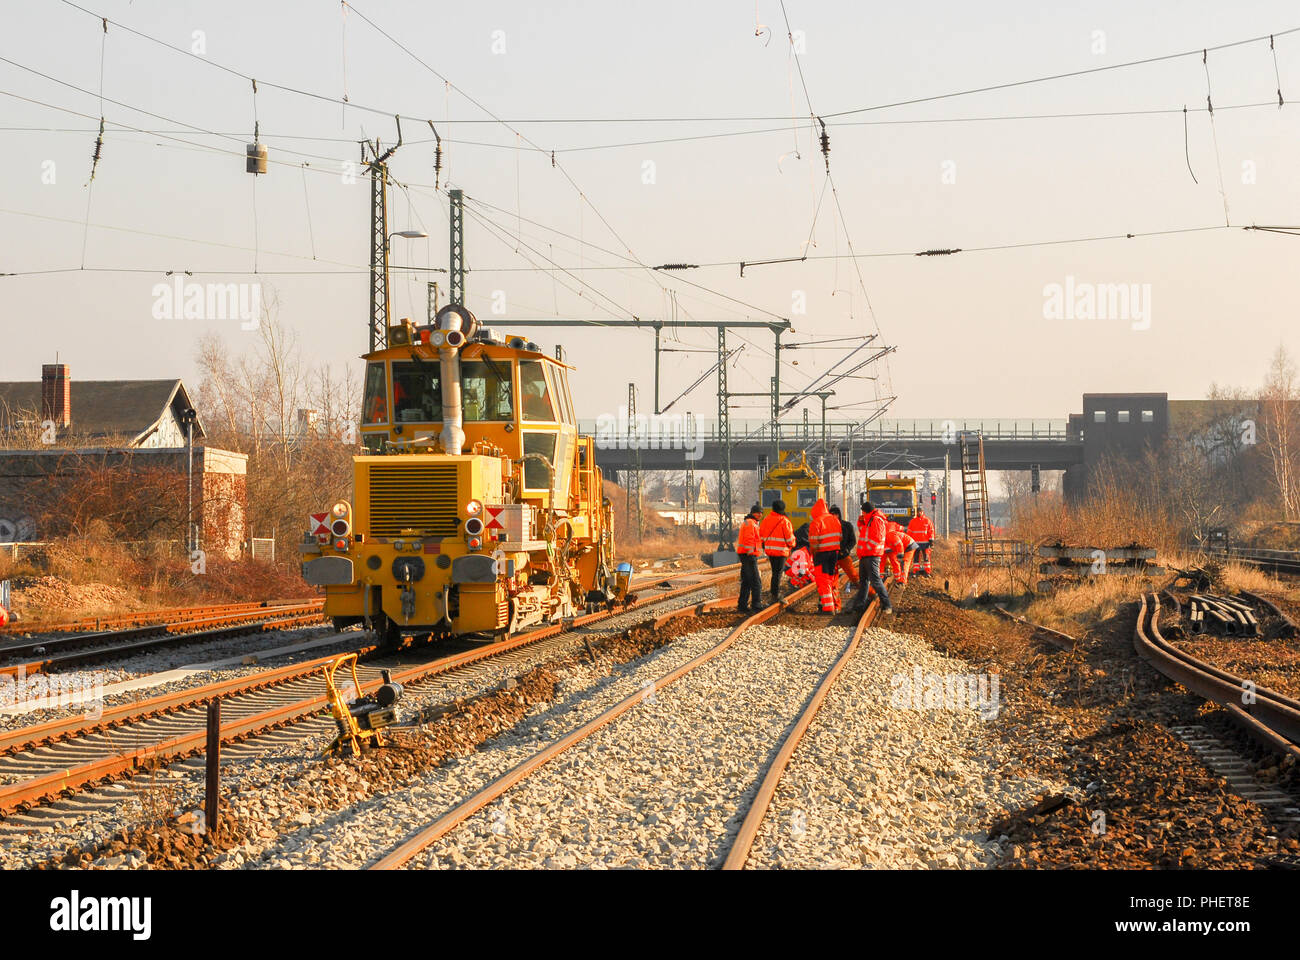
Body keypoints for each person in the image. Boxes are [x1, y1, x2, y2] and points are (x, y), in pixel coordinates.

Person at [853, 499, 893, 615]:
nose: (862, 514)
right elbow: (863, 532)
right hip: (866, 555)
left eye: (863, 512)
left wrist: (867, 549)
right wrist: (860, 522)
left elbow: (878, 538)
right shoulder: (869, 519)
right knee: (864, 581)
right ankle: (860, 604)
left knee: (876, 581)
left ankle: (887, 605)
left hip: (872, 555)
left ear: (866, 511)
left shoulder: (876, 520)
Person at [809, 498, 842, 613]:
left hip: (821, 554)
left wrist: (813, 553)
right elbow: (840, 537)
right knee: (830, 579)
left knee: (823, 580)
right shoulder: (834, 520)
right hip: (834, 553)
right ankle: (835, 605)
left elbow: (813, 542)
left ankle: (828, 608)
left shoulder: (816, 522)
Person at [759, 499, 796, 601]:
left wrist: (766, 545)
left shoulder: (766, 519)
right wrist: (793, 544)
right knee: (778, 573)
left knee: (775, 572)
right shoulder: (785, 521)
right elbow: (789, 539)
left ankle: (774, 593)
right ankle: (775, 594)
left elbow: (761, 535)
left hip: (770, 551)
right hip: (781, 552)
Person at [736, 504, 764, 613]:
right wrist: (751, 554)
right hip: (749, 555)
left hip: (747, 555)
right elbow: (749, 540)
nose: (760, 515)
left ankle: (742, 605)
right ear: (753, 513)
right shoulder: (750, 524)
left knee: (746, 581)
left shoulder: (750, 523)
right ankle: (756, 605)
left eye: (761, 513)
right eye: (758, 513)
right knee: (756, 581)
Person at [828, 505, 859, 586]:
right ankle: (833, 597)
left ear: (839, 514)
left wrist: (847, 549)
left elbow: (853, 540)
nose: (834, 515)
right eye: (831, 514)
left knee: (854, 577)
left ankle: (870, 593)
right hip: (831, 558)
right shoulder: (827, 527)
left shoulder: (847, 526)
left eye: (835, 513)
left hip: (844, 556)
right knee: (831, 579)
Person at [884, 521, 918, 586]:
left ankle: (903, 581)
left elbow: (899, 545)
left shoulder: (890, 535)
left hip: (909, 545)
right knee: (896, 562)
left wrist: (900, 555)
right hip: (903, 546)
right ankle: (898, 579)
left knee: (905, 563)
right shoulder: (884, 540)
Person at [907, 507, 935, 575]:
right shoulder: (913, 521)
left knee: (926, 557)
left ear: (922, 512)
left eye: (920, 511)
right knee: (916, 557)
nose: (919, 513)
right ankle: (916, 571)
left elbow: (931, 531)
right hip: (916, 543)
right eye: (918, 512)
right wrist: (908, 542)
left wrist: (931, 541)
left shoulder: (927, 521)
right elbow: (909, 532)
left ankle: (927, 571)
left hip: (925, 543)